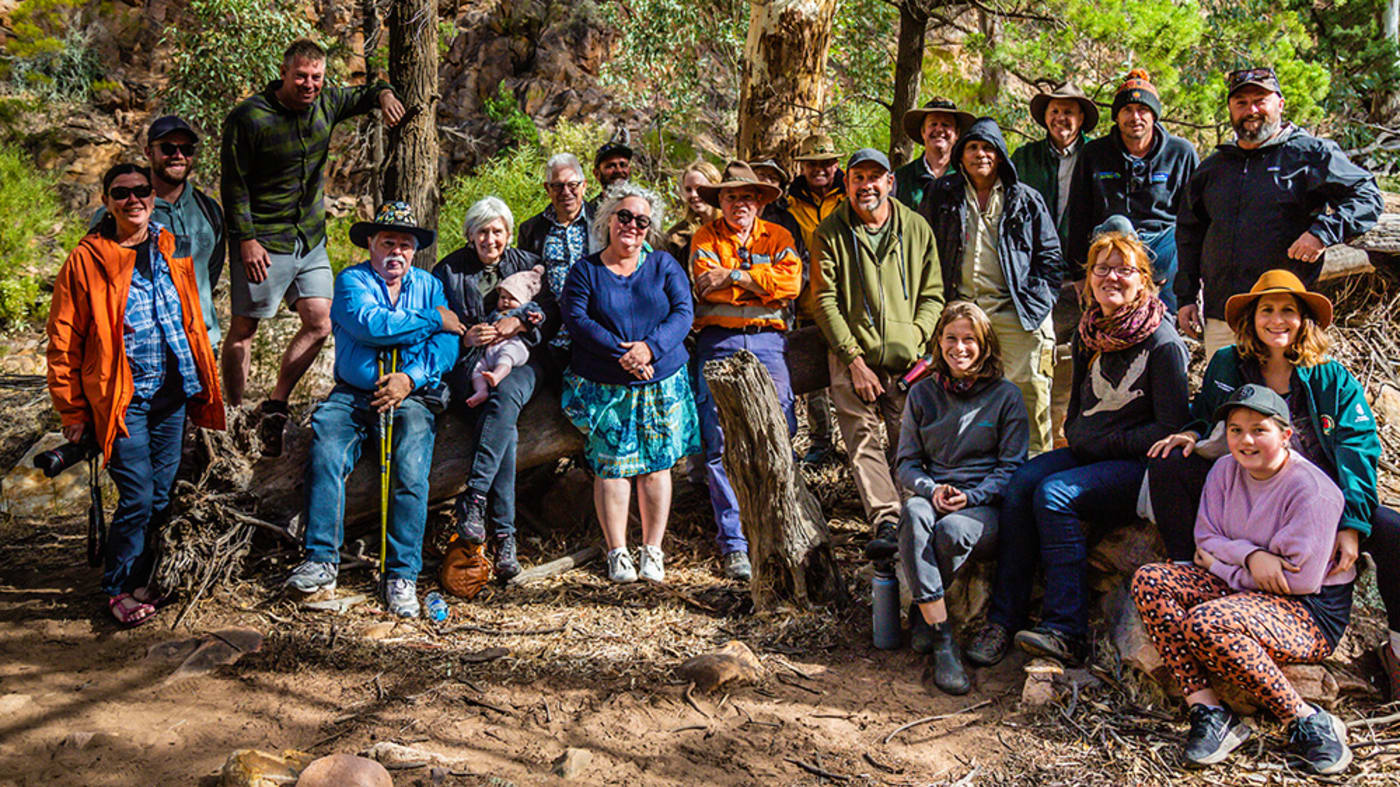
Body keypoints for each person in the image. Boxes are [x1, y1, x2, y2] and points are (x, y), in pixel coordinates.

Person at [1146, 270, 1400, 698]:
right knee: (1169, 463)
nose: (1277, 320)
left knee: (1393, 531)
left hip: (1319, 500)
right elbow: (1207, 413)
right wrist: (1191, 432)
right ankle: (1192, 572)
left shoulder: (1331, 378)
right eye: (1267, 310)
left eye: (1288, 311)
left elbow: (1357, 449)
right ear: (1252, 318)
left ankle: (1396, 649)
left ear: (1303, 321)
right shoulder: (1228, 362)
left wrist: (1352, 525)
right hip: (1249, 483)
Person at [965, 230, 1188, 666]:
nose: (1111, 278)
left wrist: (1104, 441)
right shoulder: (1090, 332)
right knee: (1022, 481)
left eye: (1123, 270)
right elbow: (1079, 408)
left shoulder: (1162, 343)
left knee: (1054, 495)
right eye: (1101, 269)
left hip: (1139, 467)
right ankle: (1004, 619)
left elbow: (1171, 429)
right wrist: (1077, 431)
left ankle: (1067, 631)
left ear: (1144, 280)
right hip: (1092, 453)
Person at [1132, 385, 1354, 774]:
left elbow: (1298, 581)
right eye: (1235, 430)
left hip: (1307, 611)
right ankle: (1210, 711)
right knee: (1151, 580)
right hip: (1244, 588)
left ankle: (1305, 719)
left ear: (1285, 435)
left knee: (1207, 622)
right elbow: (1206, 539)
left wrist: (1225, 563)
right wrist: (1253, 557)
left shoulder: (1313, 492)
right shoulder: (1224, 470)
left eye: (1259, 430)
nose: (1245, 441)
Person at [49, 163, 225, 626]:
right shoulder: (86, 259)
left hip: (172, 394)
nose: (134, 200)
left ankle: (144, 577)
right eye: (121, 193)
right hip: (121, 400)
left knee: (162, 496)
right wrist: (72, 410)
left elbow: (191, 313)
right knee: (138, 496)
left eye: (142, 191)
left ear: (153, 196)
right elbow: (64, 340)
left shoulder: (169, 245)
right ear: (106, 201)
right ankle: (117, 588)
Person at [220, 38, 405, 456]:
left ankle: (276, 404)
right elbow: (233, 185)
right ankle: (233, 412)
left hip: (310, 238)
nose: (309, 85)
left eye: (316, 77)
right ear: (284, 73)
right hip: (263, 240)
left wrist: (386, 96)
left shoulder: (327, 103)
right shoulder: (250, 118)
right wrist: (246, 240)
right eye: (301, 76)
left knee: (320, 322)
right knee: (245, 329)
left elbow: (369, 91)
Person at [285, 203, 460, 616]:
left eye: (405, 244)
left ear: (414, 250)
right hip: (352, 393)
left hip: (409, 395)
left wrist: (410, 378)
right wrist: (433, 319)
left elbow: (448, 345)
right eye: (388, 242)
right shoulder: (351, 281)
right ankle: (320, 560)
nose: (396, 251)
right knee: (327, 453)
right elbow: (370, 325)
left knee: (411, 470)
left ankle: (401, 575)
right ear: (371, 244)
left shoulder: (430, 285)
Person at [1175, 67, 1383, 358]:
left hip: (1286, 319)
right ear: (1230, 109)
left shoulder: (1311, 154)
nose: (1251, 110)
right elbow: (1189, 233)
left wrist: (1322, 233)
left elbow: (1367, 195)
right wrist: (1185, 297)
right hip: (1224, 317)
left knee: (1288, 389)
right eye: (1241, 103)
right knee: (1225, 388)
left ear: (1280, 104)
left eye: (1260, 101)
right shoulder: (1213, 168)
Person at [810, 147, 945, 558]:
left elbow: (933, 294)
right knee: (863, 439)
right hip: (852, 356)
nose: (866, 186)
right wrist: (853, 360)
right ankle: (886, 519)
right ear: (847, 183)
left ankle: (917, 515)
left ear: (890, 181)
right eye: (858, 178)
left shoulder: (916, 228)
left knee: (911, 438)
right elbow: (824, 301)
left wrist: (916, 338)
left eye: (874, 177)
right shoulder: (830, 232)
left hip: (909, 360)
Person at [561, 183, 699, 584]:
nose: (632, 226)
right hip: (605, 385)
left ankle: (652, 550)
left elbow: (683, 312)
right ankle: (617, 552)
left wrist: (649, 349)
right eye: (624, 216)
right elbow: (577, 320)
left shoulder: (663, 265)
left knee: (657, 467)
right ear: (608, 219)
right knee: (612, 468)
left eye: (642, 221)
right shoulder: (585, 271)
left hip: (661, 382)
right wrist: (621, 354)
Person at [896, 302, 1029, 695]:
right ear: (939, 342)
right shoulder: (922, 393)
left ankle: (921, 612)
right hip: (934, 493)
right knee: (914, 513)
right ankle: (943, 638)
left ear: (985, 344)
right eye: (951, 338)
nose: (960, 348)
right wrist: (931, 490)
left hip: (982, 507)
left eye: (969, 339)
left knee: (952, 531)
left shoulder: (1006, 396)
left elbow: (1012, 468)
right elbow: (907, 463)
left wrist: (972, 496)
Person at [920, 117, 1064, 454]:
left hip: (1016, 308)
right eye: (972, 147)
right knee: (962, 393)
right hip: (961, 308)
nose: (980, 154)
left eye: (988, 148)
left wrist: (1038, 300)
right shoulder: (942, 194)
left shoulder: (1025, 198)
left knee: (1030, 388)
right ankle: (970, 465)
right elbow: (924, 249)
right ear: (960, 154)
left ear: (1000, 155)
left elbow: (1050, 256)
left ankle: (1034, 464)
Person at [689, 161, 803, 581]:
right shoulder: (705, 238)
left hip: (769, 342)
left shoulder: (780, 236)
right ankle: (734, 542)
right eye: (731, 196)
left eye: (747, 197)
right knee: (720, 439)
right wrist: (760, 284)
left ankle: (779, 527)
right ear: (720, 201)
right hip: (717, 341)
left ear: (759, 202)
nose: (740, 203)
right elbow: (706, 285)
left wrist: (734, 276)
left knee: (780, 429)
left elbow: (791, 285)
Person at [434, 197, 560, 580]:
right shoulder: (448, 270)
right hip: (470, 364)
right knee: (503, 426)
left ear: (508, 233)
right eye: (483, 232)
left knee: (503, 397)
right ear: (469, 235)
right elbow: (434, 319)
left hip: (521, 359)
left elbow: (553, 311)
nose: (491, 239)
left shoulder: (527, 264)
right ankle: (504, 538)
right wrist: (464, 337)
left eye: (498, 231)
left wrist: (519, 324)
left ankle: (474, 499)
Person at [1066, 70, 1197, 312]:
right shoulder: (1094, 153)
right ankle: (1125, 311)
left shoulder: (1181, 153)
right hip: (1112, 247)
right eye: (1127, 110)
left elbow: (1195, 215)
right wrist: (1078, 273)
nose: (1135, 117)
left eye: (1142, 110)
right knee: (1119, 224)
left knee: (1182, 236)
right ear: (1117, 117)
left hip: (1160, 245)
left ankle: (1169, 316)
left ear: (1154, 115)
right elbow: (1078, 214)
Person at [90, 116, 225, 348]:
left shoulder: (208, 210)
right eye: (168, 148)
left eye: (186, 149)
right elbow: (94, 280)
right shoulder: (120, 211)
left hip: (201, 344)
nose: (178, 155)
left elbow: (210, 270)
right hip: (140, 350)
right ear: (148, 152)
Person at [789, 133, 846, 466]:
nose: (819, 169)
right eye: (812, 164)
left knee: (851, 375)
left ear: (836, 164)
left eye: (825, 163)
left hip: (847, 304)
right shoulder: (790, 203)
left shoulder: (849, 194)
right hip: (808, 302)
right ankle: (821, 442)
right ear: (803, 167)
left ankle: (857, 443)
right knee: (813, 383)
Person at [517, 153, 595, 376]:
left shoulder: (602, 222)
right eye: (558, 186)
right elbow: (526, 281)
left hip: (594, 326)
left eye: (572, 185)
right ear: (547, 189)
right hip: (549, 328)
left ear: (584, 186)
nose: (566, 192)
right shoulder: (531, 229)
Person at [1011, 83, 1098, 246]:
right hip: (1033, 251)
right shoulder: (1024, 157)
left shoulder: (1097, 155)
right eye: (1054, 111)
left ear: (1081, 118)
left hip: (1084, 252)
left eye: (1068, 112)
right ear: (1045, 116)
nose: (1060, 118)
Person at [466, 266, 546, 408]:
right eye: (503, 297)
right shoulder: (495, 312)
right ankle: (481, 390)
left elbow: (538, 315)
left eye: (512, 298)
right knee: (476, 367)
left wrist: (536, 317)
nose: (506, 302)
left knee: (507, 355)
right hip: (490, 350)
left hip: (514, 346)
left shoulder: (525, 308)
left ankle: (497, 375)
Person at [894, 97, 974, 209]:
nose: (939, 129)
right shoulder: (901, 178)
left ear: (957, 133)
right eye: (933, 124)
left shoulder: (968, 176)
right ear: (923, 132)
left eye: (946, 124)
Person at [750, 156, 809, 263]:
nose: (766, 181)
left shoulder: (785, 220)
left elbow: (800, 259)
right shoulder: (729, 211)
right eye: (761, 175)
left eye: (773, 178)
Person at [665, 160, 722, 265]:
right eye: (688, 189)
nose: (693, 195)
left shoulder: (734, 227)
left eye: (699, 188)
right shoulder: (676, 237)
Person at [586, 134, 633, 212]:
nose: (619, 170)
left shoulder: (642, 205)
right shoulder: (590, 211)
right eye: (611, 166)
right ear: (597, 174)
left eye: (623, 165)